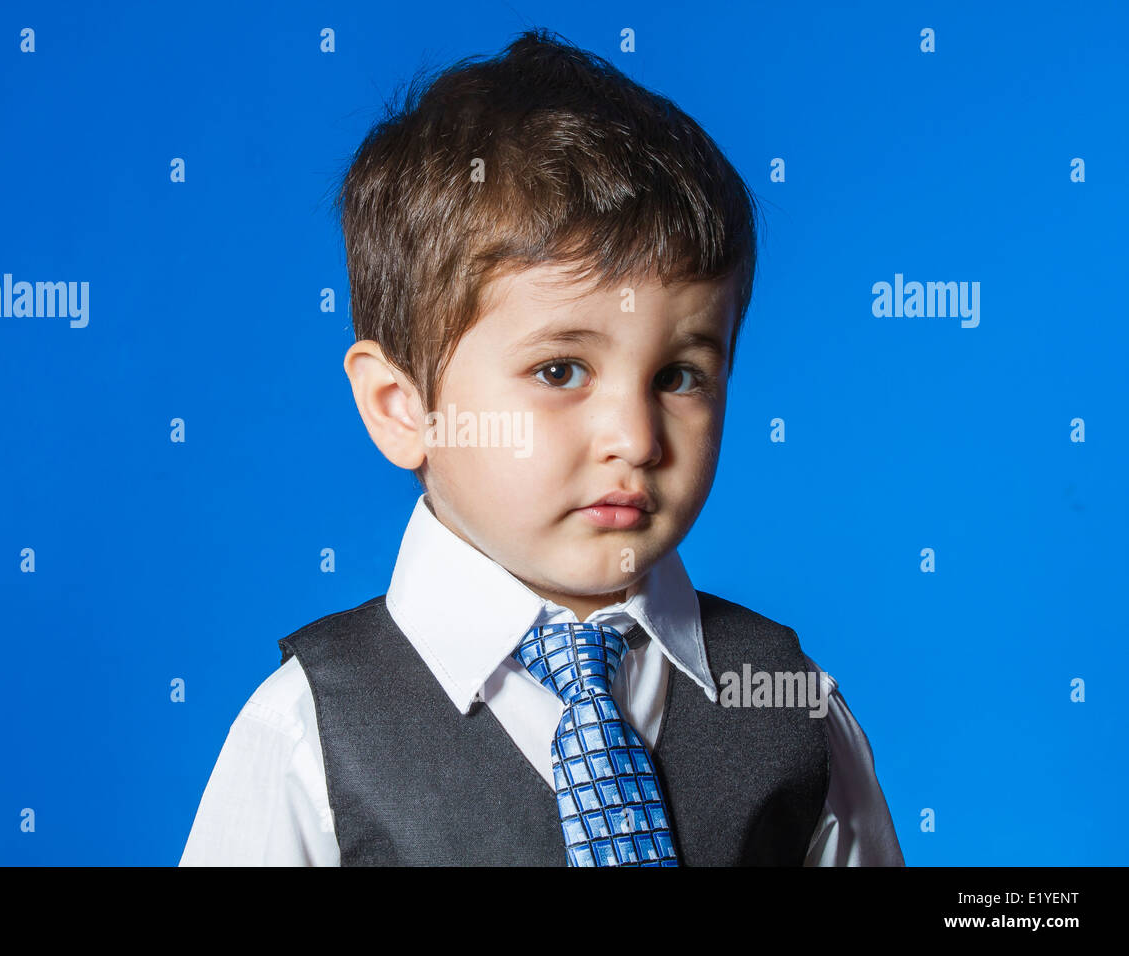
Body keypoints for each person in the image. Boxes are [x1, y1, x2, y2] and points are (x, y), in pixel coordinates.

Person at [180, 27, 903, 867]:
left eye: (679, 377)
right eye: (560, 370)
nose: (634, 438)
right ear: (400, 406)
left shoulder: (789, 706)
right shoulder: (308, 731)